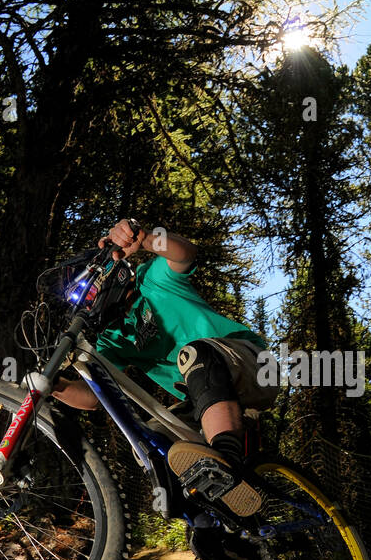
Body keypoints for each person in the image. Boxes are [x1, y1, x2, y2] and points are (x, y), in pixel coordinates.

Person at [51, 219, 277, 515]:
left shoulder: (152, 278)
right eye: (83, 298)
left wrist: (144, 238)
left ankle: (226, 461)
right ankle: (209, 527)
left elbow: (184, 253)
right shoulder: (113, 338)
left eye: (90, 288)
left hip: (252, 366)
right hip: (203, 403)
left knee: (195, 354)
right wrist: (56, 387)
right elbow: (93, 396)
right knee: (149, 441)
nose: (90, 298)